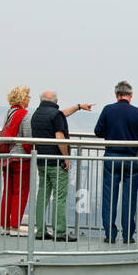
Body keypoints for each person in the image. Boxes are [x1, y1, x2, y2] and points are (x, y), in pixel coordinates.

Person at [29, 91, 92, 241]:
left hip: (41, 160)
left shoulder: (37, 114)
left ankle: (40, 231)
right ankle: (60, 232)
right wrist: (66, 158)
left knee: (42, 196)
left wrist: (78, 107)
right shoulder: (55, 115)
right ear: (55, 101)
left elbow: (61, 114)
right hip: (56, 161)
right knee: (60, 197)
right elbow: (59, 136)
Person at [93, 81, 138, 243]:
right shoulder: (137, 112)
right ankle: (128, 236)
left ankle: (110, 234)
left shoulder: (108, 110)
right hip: (131, 160)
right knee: (129, 200)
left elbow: (98, 131)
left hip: (111, 157)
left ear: (116, 95)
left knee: (109, 198)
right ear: (130, 96)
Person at [0, 85, 32, 234]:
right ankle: (15, 226)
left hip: (7, 156)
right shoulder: (25, 115)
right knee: (20, 191)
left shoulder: (9, 113)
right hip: (21, 157)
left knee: (8, 190)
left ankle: (5, 225)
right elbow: (28, 139)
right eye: (28, 96)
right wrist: (32, 152)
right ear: (23, 98)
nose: (29, 99)